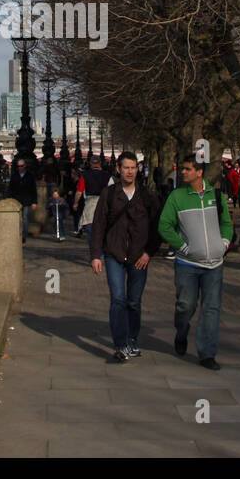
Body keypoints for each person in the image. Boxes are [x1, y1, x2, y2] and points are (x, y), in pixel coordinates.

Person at [158, 154, 233, 370]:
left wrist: (224, 243)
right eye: (183, 169)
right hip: (188, 264)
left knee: (211, 308)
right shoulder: (177, 197)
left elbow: (227, 224)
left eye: (187, 169)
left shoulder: (216, 196)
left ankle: (207, 353)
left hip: (214, 265)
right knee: (185, 305)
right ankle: (181, 331)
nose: (183, 172)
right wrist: (183, 247)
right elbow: (164, 226)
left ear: (199, 172)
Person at [89, 151, 162, 361]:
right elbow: (99, 225)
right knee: (118, 299)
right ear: (119, 170)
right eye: (126, 168)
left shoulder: (148, 196)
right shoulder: (109, 194)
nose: (130, 172)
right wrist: (96, 255)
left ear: (137, 170)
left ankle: (132, 339)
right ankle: (120, 345)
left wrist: (149, 252)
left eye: (133, 168)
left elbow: (157, 227)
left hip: (140, 256)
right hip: (115, 253)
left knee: (134, 302)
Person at [74, 155, 111, 239]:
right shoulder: (107, 176)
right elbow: (112, 191)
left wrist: (75, 203)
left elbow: (79, 192)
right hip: (104, 206)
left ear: (90, 164)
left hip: (90, 206)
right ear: (100, 163)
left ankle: (94, 250)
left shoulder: (84, 175)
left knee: (92, 234)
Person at [10, 157, 38, 245]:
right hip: (17, 199)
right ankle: (18, 234)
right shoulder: (14, 175)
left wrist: (34, 202)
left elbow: (33, 189)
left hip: (26, 199)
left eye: (21, 166)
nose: (20, 167)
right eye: (18, 166)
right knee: (18, 218)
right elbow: (11, 188)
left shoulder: (30, 175)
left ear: (25, 166)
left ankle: (24, 236)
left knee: (25, 218)